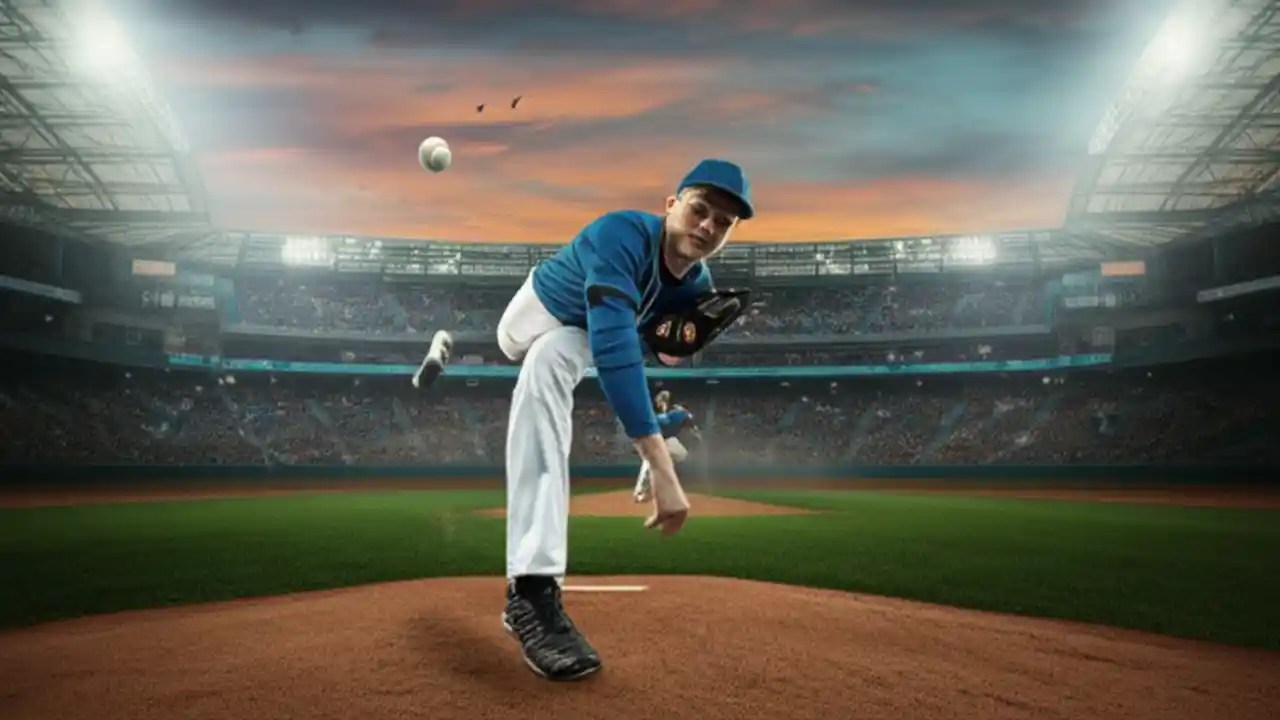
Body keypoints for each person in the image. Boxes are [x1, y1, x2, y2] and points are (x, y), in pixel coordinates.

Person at [479, 158, 754, 681]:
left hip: (577, 338)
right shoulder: (621, 234)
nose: (708, 226)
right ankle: (533, 590)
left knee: (552, 359)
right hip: (535, 313)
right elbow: (613, 345)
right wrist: (662, 465)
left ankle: (531, 592)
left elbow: (652, 352)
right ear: (670, 205)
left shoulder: (700, 285)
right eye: (700, 209)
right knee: (532, 348)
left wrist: (675, 347)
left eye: (723, 222)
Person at [633, 389, 700, 503]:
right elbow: (667, 420)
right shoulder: (666, 415)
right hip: (655, 441)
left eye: (661, 401)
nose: (658, 404)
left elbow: (688, 421)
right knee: (649, 463)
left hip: (667, 440)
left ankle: (662, 483)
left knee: (682, 454)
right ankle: (640, 492)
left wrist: (695, 431)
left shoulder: (676, 413)